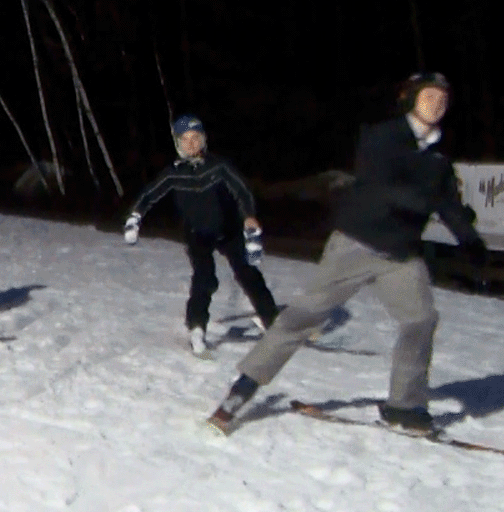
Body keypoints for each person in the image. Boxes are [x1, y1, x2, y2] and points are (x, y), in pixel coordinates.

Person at [208, 73, 489, 434]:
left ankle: (403, 406)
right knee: (304, 316)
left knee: (421, 319)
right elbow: (382, 185)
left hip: (400, 255)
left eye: (443, 99)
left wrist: (471, 241)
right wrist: (426, 201)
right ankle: (242, 390)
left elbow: (449, 204)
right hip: (356, 244)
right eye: (429, 96)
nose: (436, 103)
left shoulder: (438, 158)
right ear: (410, 99)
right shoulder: (382, 137)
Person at [125, 115, 281, 355]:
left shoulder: (219, 166)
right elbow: (148, 195)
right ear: (178, 143)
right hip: (197, 234)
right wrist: (135, 217)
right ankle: (197, 327)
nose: (191, 144)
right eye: (185, 140)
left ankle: (271, 320)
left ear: (204, 140)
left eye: (195, 138)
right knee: (205, 278)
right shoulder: (173, 173)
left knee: (248, 273)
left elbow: (242, 190)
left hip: (228, 230)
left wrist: (249, 216)